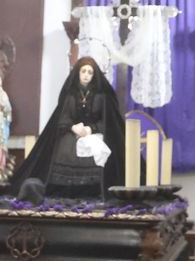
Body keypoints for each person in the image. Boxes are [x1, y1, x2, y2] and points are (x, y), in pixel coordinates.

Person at [10, 57, 125, 200]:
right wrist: (73, 127)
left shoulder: (102, 96)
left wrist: (90, 129)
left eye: (90, 72)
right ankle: (65, 188)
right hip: (72, 133)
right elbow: (63, 117)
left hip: (94, 133)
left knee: (97, 150)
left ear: (94, 75)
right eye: (83, 71)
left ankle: (92, 189)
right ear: (78, 73)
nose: (86, 75)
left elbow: (108, 121)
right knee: (65, 146)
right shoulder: (70, 95)